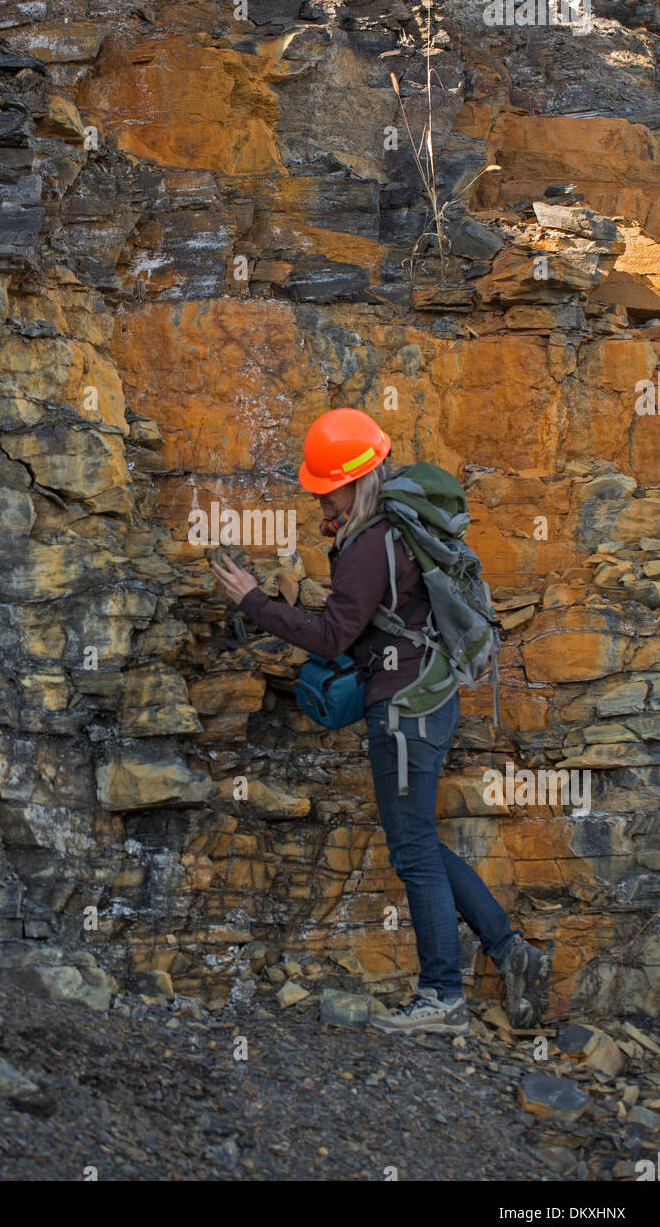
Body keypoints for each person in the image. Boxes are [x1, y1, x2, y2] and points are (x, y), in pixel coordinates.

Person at [210, 406, 551, 1036]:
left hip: (403, 711)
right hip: (430, 696)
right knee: (419, 838)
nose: (321, 503)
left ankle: (442, 997)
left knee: (413, 850)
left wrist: (252, 601)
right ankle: (512, 953)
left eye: (325, 490)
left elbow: (334, 636)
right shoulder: (399, 529)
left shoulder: (371, 544)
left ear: (352, 480)